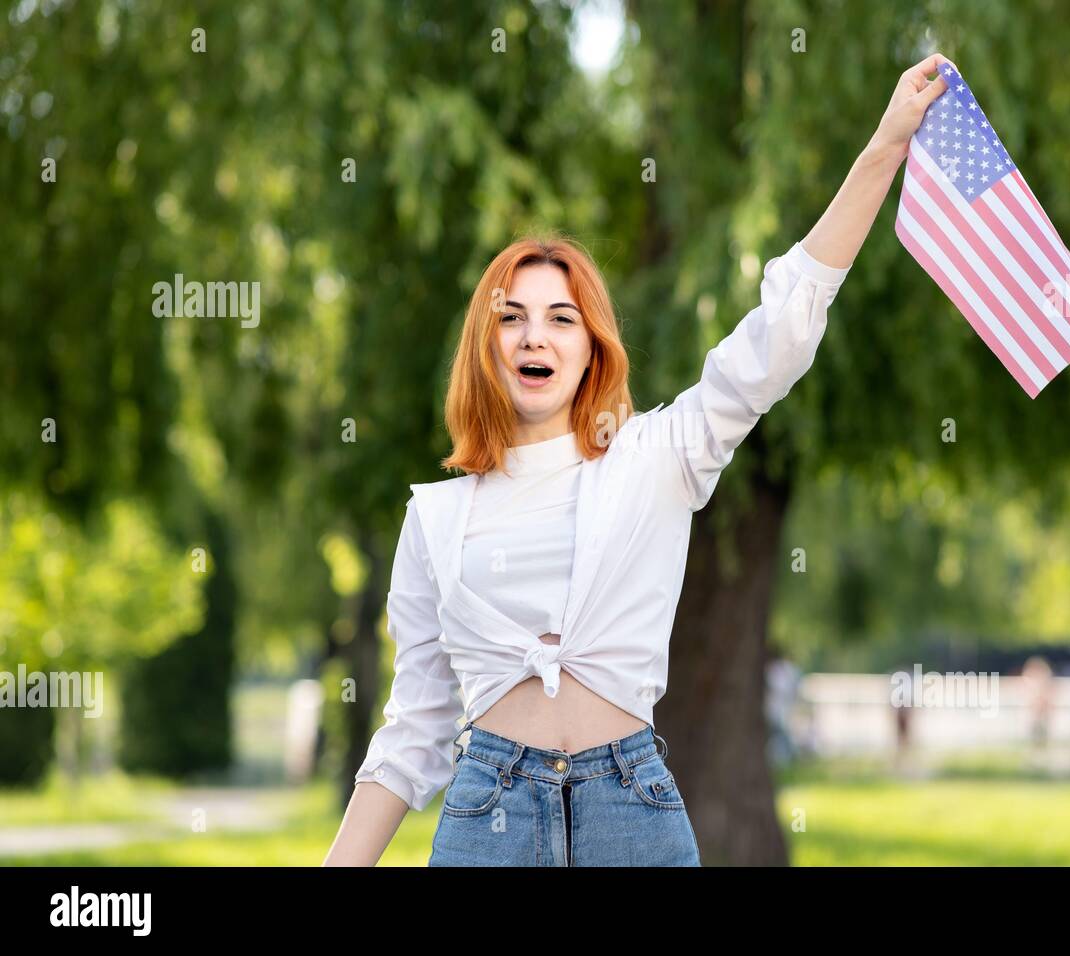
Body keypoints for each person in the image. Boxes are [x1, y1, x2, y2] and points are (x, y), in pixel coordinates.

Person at [322, 53, 955, 866]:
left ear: (592, 349)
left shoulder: (655, 459)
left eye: (561, 318)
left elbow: (780, 333)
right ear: (488, 348)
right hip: (488, 816)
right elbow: (413, 732)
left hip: (634, 809)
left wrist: (885, 147)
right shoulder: (434, 519)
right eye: (511, 318)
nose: (534, 336)